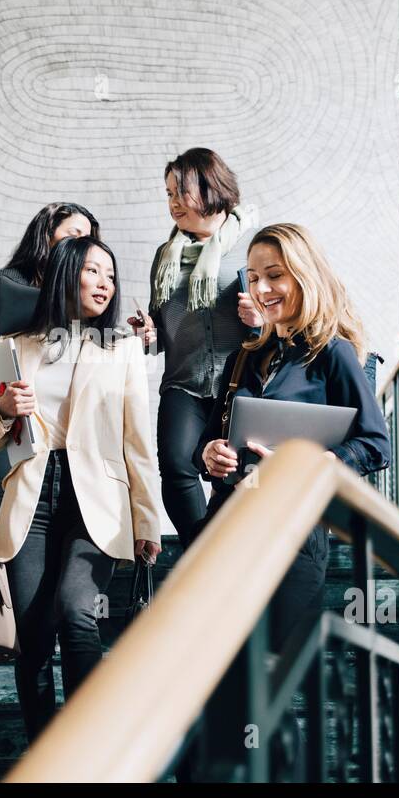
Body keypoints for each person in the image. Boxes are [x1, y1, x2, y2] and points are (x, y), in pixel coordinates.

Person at [185, 222, 390, 779]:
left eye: (274, 275)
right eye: (253, 277)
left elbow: (375, 444)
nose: (262, 288)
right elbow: (212, 438)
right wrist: (213, 456)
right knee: (218, 687)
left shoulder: (334, 353)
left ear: (304, 274)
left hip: (293, 539)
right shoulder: (246, 359)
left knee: (263, 690)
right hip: (228, 530)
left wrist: (307, 462)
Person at [0, 235, 162, 741]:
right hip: (33, 500)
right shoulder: (12, 347)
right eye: (93, 271)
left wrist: (148, 520)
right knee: (33, 638)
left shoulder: (121, 348)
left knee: (78, 611)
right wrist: (2, 410)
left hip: (96, 501)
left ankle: (85, 749)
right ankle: (44, 751)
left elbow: (138, 443)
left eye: (111, 274)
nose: (106, 283)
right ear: (65, 272)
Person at [0, 202, 97, 683]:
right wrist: (4, 362)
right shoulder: (4, 280)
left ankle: (37, 630)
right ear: (46, 233)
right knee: (1, 529)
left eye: (88, 238)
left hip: (56, 443)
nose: (79, 245)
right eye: (72, 234)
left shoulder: (79, 295)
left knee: (44, 539)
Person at [127, 147, 262, 548]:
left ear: (208, 187)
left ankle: (235, 559)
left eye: (178, 192)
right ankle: (201, 553)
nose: (171, 204)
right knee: (176, 466)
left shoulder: (250, 247)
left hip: (239, 384)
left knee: (236, 475)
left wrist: (261, 320)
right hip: (182, 383)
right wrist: (148, 332)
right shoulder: (164, 256)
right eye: (167, 194)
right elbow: (160, 323)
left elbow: (284, 314)